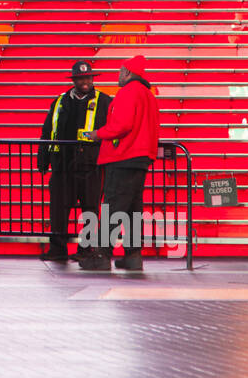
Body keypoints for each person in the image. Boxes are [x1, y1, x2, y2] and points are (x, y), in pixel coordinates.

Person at [80, 54, 161, 272]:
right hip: (141, 159)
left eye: (119, 72)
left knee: (113, 207)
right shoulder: (149, 95)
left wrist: (97, 134)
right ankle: (133, 255)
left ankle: (101, 255)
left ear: (127, 72)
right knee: (133, 209)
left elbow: (121, 125)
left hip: (123, 156)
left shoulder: (128, 92)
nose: (118, 77)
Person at [37, 60, 112, 262]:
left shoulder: (105, 101)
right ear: (74, 80)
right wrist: (42, 160)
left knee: (90, 209)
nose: (85, 81)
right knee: (58, 208)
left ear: (92, 79)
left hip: (91, 165)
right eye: (80, 78)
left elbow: (113, 132)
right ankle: (58, 249)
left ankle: (85, 249)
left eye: (88, 77)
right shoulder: (60, 101)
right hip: (62, 165)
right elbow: (47, 131)